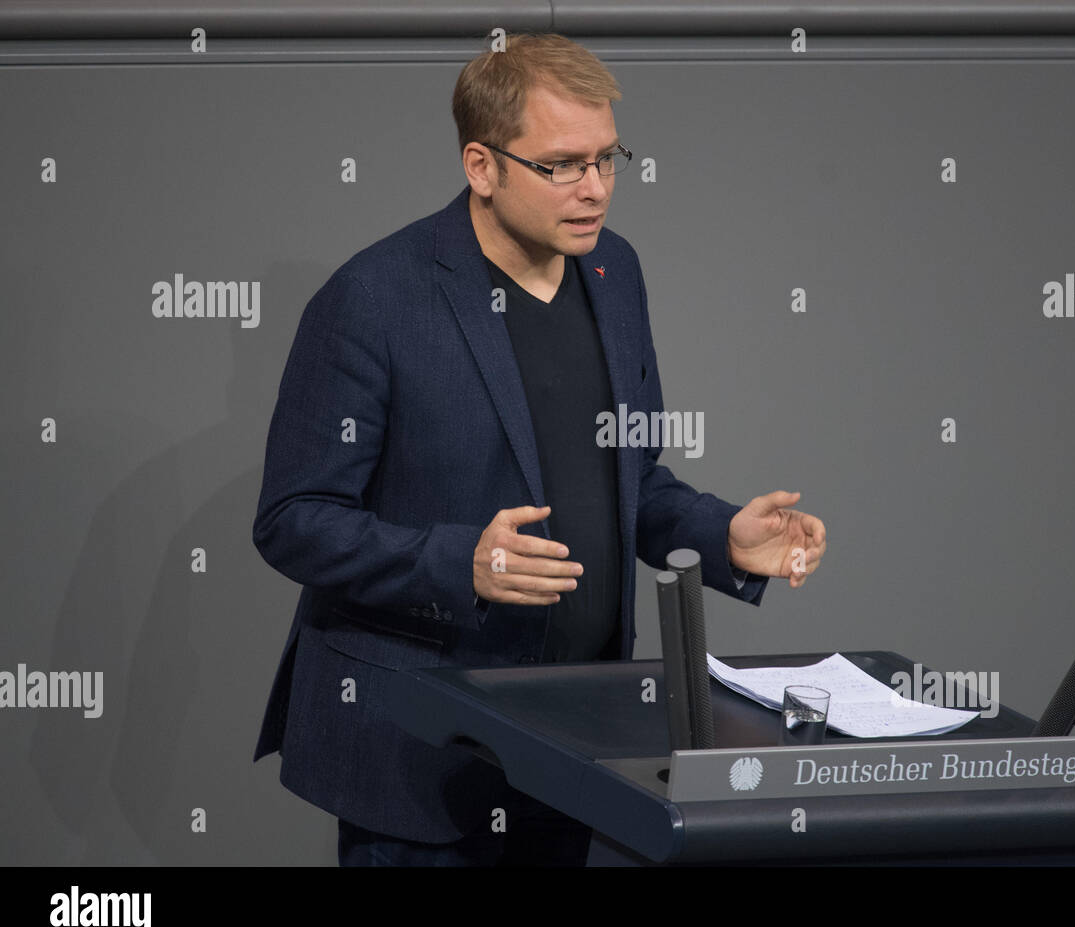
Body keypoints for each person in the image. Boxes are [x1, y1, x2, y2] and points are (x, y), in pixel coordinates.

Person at [251, 31, 827, 866]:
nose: (594, 189)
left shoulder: (614, 274)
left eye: (607, 159)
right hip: (420, 762)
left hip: (576, 746)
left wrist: (721, 533)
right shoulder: (372, 299)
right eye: (561, 165)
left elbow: (630, 478)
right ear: (481, 167)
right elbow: (293, 520)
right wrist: (462, 564)